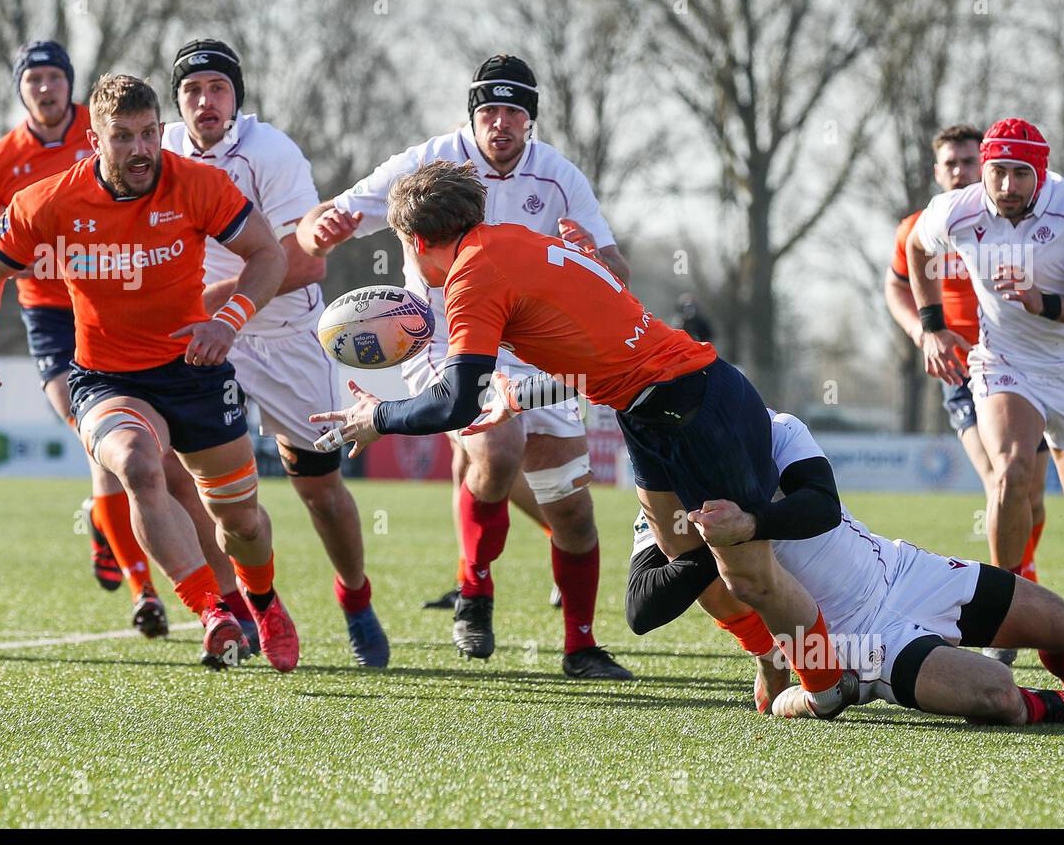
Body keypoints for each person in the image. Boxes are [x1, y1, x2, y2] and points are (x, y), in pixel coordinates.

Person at [311, 160, 859, 717]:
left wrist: (378, 417)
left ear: (418, 240)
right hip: (651, 410)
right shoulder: (511, 240)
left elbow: (454, 401)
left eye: (403, 247)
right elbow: (596, 350)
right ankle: (767, 651)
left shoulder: (472, 276)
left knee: (748, 574)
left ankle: (826, 682)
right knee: (677, 552)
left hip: (694, 409)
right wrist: (519, 395)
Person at [298, 55, 632, 679]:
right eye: (488, 112)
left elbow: (616, 270)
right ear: (471, 116)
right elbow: (336, 214)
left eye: (513, 112)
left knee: (573, 512)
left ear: (530, 121)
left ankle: (581, 646)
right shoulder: (428, 164)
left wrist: (592, 258)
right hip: (443, 335)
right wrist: (327, 228)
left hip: (537, 344)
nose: (499, 124)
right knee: (498, 449)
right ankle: (475, 590)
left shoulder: (558, 176)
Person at [0, 73, 298, 671]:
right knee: (139, 464)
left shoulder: (198, 184)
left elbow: (269, 254)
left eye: (148, 135)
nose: (140, 150)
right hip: (105, 377)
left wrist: (230, 320)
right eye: (123, 137)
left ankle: (262, 600)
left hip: (193, 367)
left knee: (239, 519)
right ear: (94, 141)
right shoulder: (49, 200)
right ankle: (211, 613)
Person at [624, 410, 1064, 724]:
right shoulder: (668, 501)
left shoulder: (774, 428)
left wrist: (745, 524)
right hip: (855, 638)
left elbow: (818, 506)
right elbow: (642, 607)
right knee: (999, 695)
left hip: (901, 567)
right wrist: (700, 545)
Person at [163, 39, 386, 667]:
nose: (205, 101)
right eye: (192, 90)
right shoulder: (160, 151)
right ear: (178, 101)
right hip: (207, 343)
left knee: (319, 489)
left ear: (237, 98)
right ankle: (246, 605)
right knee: (205, 486)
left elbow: (305, 262)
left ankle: (356, 597)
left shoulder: (271, 152)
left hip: (286, 336)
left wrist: (205, 300)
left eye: (218, 88)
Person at [906, 118, 1064, 658]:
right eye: (997, 172)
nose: (1006, 186)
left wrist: (1042, 301)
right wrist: (932, 323)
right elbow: (915, 246)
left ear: (1041, 173)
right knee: (1009, 472)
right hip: (1005, 363)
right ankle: (1003, 613)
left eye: (1019, 175)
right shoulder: (958, 207)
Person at [0, 41, 160, 618]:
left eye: (54, 77)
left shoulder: (103, 135)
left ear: (70, 84)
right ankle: (143, 590)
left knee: (146, 454)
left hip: (112, 299)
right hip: (48, 311)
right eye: (34, 79)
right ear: (21, 88)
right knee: (96, 439)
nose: (45, 88)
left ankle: (107, 525)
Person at [883, 123, 1049, 665]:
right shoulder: (922, 226)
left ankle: (1026, 577)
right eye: (949, 163)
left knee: (1032, 496)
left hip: (1024, 366)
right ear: (937, 172)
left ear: (986, 166)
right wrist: (923, 330)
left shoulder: (1013, 223)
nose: (959, 171)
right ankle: (1012, 607)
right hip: (963, 370)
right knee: (1003, 477)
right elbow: (897, 284)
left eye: (967, 162)